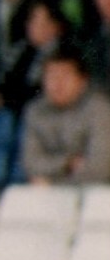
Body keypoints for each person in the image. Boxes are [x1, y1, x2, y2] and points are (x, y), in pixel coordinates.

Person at [20, 48, 110, 186]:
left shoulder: (100, 109)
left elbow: (101, 167)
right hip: (49, 192)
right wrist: (67, 163)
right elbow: (31, 163)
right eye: (51, 76)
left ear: (82, 81)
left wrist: (53, 182)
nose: (57, 83)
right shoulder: (35, 111)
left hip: (96, 194)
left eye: (65, 76)